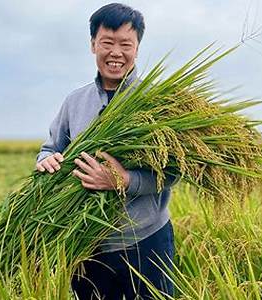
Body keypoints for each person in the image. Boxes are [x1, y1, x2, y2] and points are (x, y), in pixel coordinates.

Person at [36, 3, 178, 299]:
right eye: (107, 43)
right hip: (88, 243)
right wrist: (46, 160)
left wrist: (124, 181)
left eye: (125, 44)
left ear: (137, 48)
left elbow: (174, 171)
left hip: (147, 240)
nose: (116, 53)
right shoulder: (75, 102)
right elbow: (51, 147)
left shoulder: (157, 104)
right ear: (93, 45)